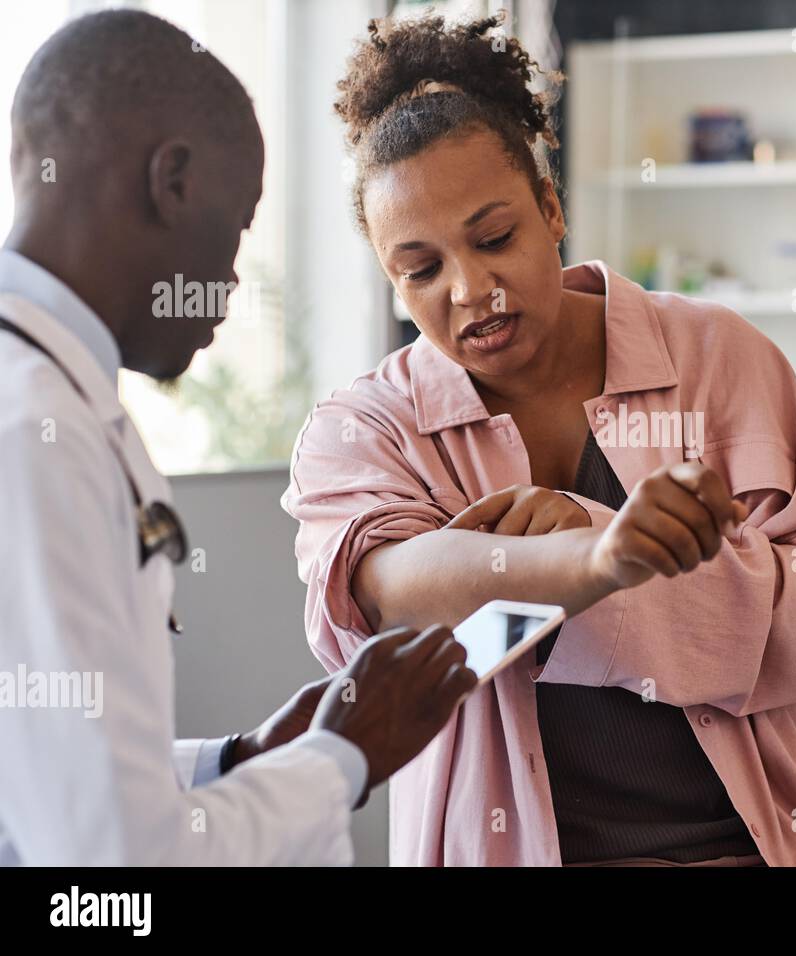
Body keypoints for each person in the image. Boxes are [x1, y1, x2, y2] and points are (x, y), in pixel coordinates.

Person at [282, 11, 796, 867]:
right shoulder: (365, 426)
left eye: (495, 238)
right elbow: (387, 592)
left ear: (552, 207)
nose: (470, 288)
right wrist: (596, 562)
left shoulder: (717, 356)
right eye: (420, 269)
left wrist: (681, 575)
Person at [0, 9, 476, 866]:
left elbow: (38, 774)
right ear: (171, 181)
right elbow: (110, 869)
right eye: (240, 225)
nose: (230, 279)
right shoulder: (34, 435)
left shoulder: (48, 399)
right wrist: (346, 758)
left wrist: (238, 761)